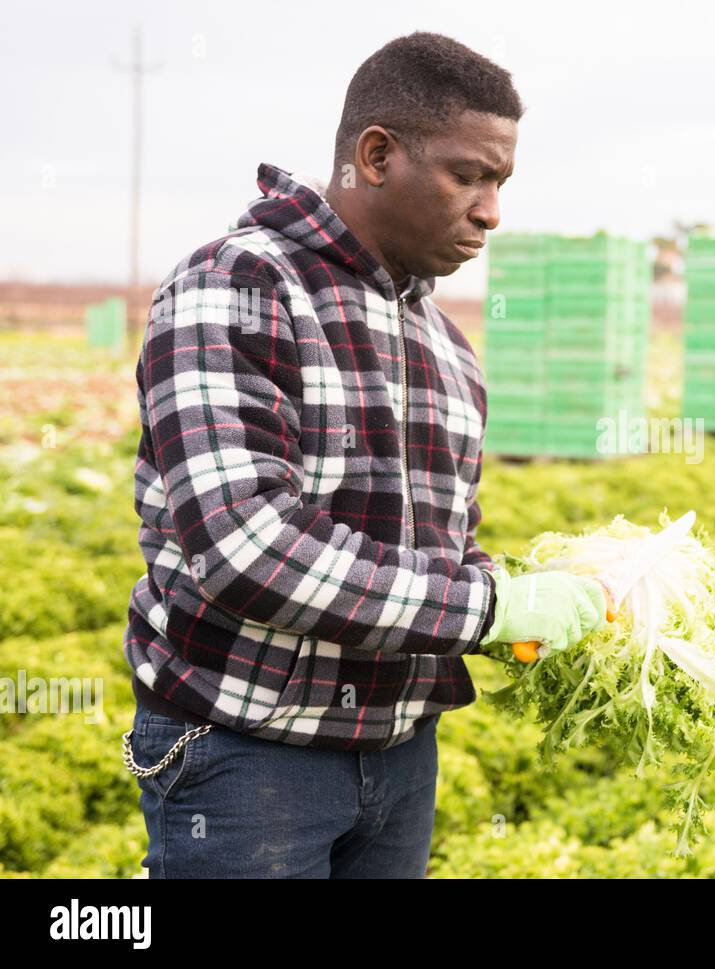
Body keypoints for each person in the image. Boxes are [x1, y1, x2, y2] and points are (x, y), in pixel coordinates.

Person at [120, 32, 606, 877]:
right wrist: (489, 610)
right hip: (246, 756)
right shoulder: (236, 287)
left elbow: (446, 548)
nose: (492, 210)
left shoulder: (449, 348)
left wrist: (534, 600)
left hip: (400, 757)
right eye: (470, 175)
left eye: (501, 182)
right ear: (376, 155)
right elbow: (247, 549)